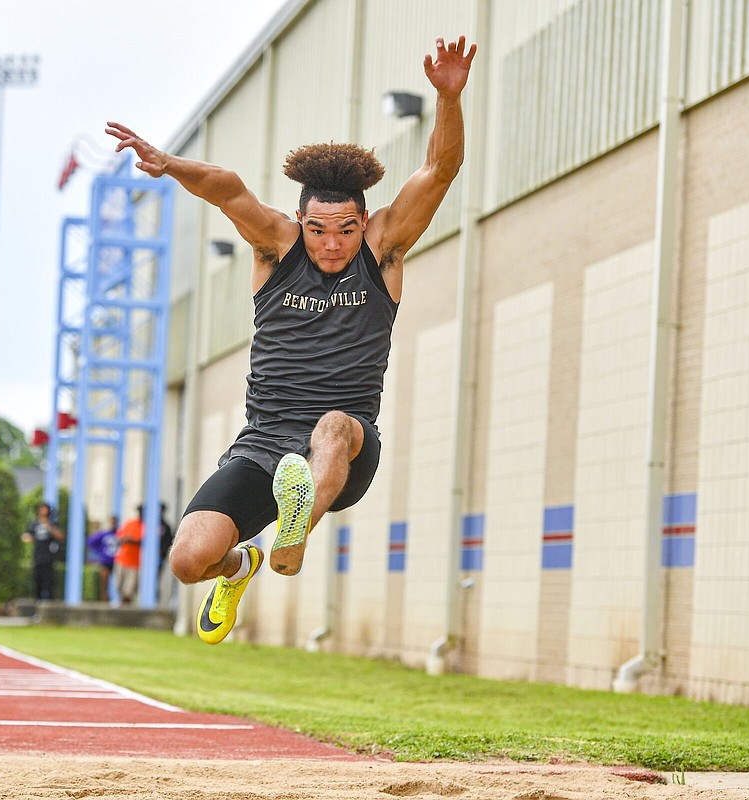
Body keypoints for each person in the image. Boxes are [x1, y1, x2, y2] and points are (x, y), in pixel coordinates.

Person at [107, 36, 475, 644]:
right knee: (188, 560)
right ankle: (243, 561)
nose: (332, 245)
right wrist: (167, 163)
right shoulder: (276, 249)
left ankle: (293, 530)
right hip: (262, 441)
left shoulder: (383, 251)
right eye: (318, 231)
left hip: (346, 443)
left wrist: (447, 99)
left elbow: (439, 170)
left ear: (365, 224)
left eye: (346, 231)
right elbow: (226, 187)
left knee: (331, 426)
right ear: (299, 223)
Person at [22, 502, 66, 601]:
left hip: (49, 559)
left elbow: (61, 536)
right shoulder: (34, 524)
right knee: (37, 583)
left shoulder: (53, 524)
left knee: (49, 583)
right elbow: (26, 537)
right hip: (37, 558)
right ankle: (37, 607)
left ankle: (50, 607)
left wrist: (48, 524)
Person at [112, 506, 143, 606]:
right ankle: (123, 605)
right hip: (122, 559)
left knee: (129, 589)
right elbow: (120, 537)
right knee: (119, 585)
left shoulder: (147, 525)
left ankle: (126, 607)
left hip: (135, 562)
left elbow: (143, 541)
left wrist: (132, 541)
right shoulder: (130, 523)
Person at [85, 516, 118, 603]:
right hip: (106, 562)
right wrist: (100, 551)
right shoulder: (104, 534)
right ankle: (105, 603)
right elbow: (90, 541)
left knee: (118, 584)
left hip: (117, 562)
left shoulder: (119, 534)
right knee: (104, 585)